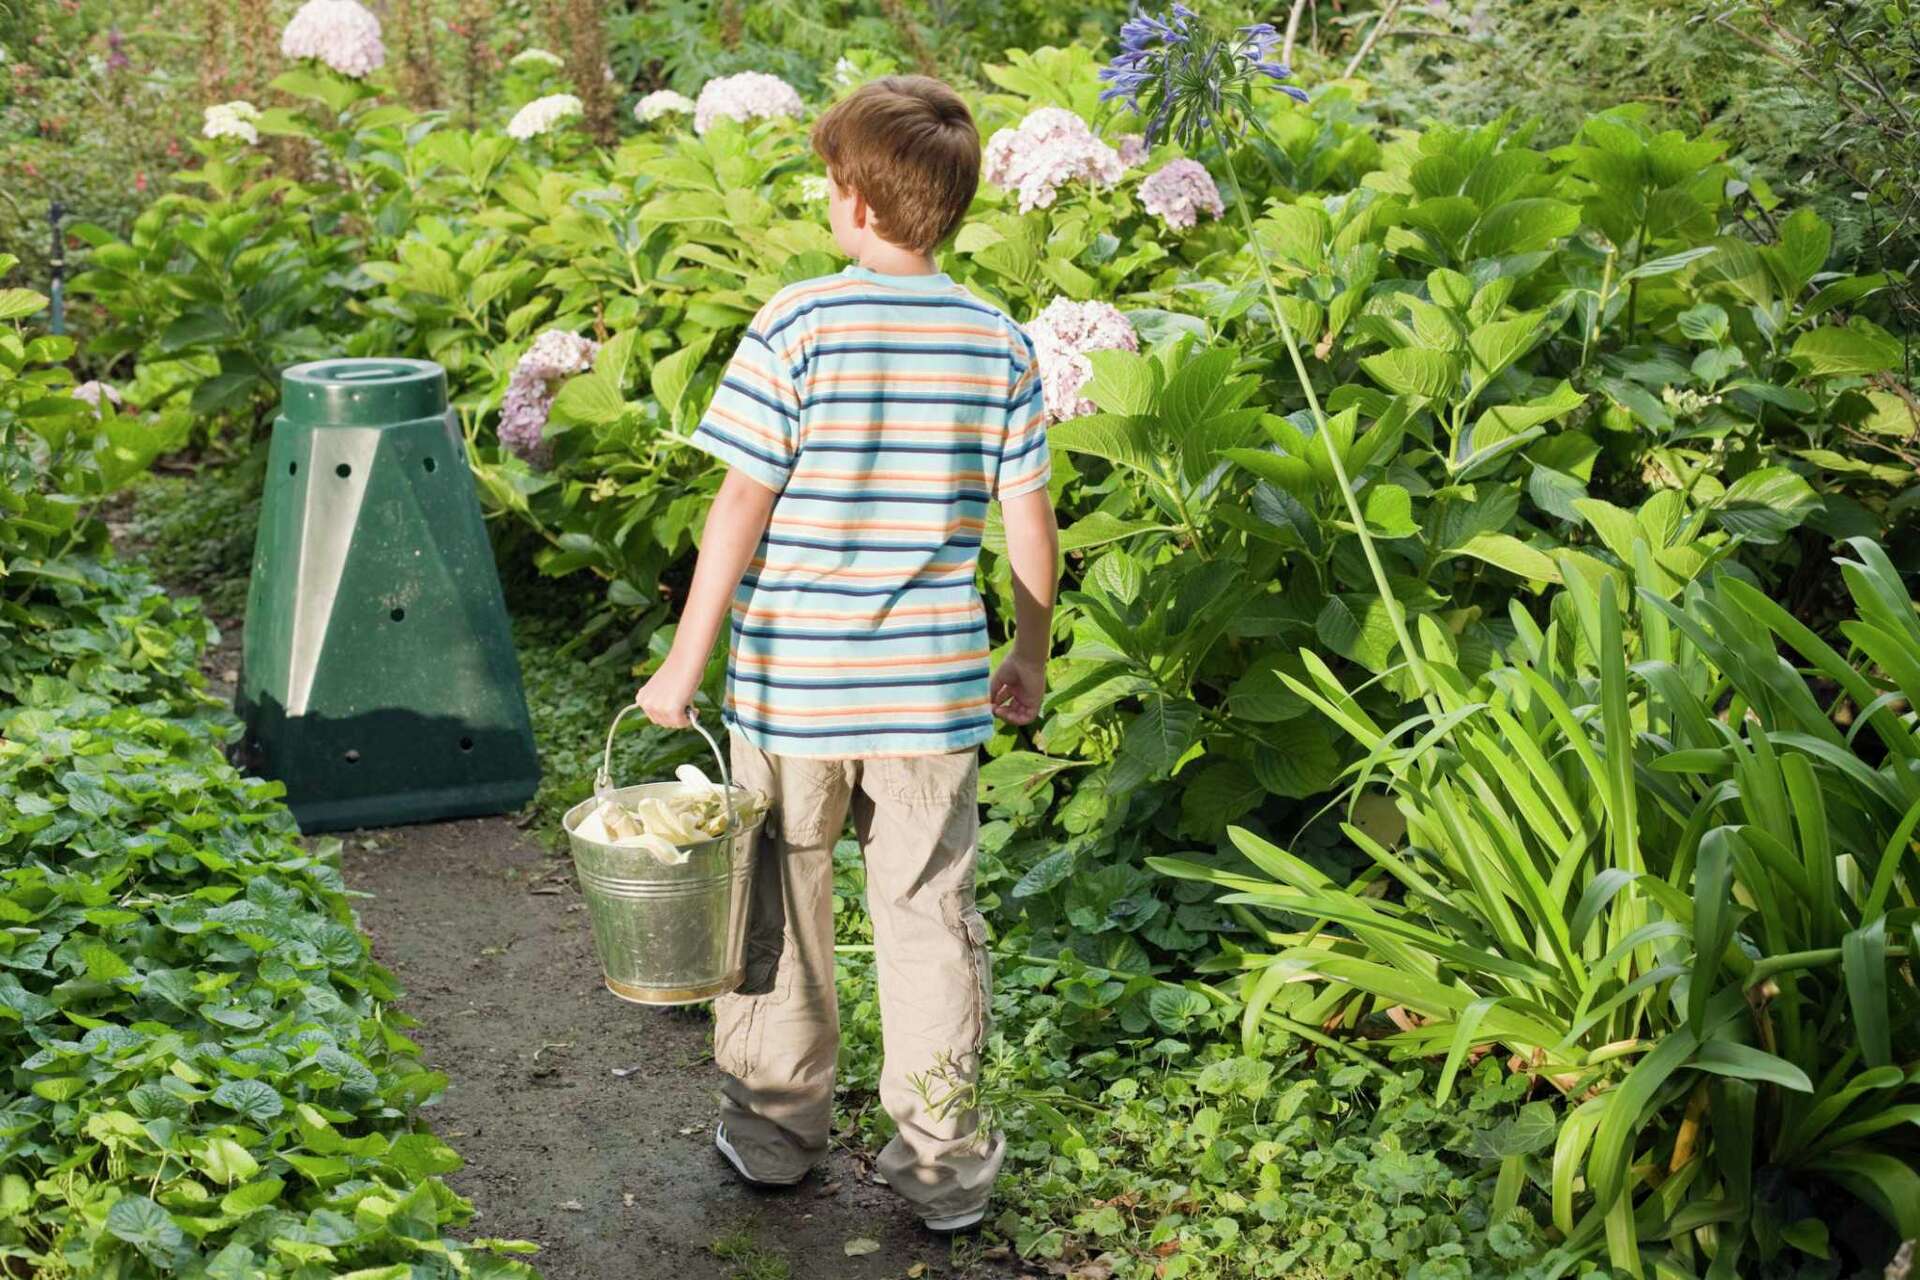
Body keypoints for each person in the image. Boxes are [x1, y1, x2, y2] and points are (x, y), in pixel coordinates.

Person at [631, 75, 1059, 1233]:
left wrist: (682, 665)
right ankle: (944, 1167)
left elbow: (739, 509)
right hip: (930, 695)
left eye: (830, 182)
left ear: (857, 204)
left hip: (794, 691)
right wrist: (1028, 650)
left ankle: (773, 1137)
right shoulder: (998, 341)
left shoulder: (800, 320)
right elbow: (1029, 524)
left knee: (778, 906)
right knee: (927, 918)